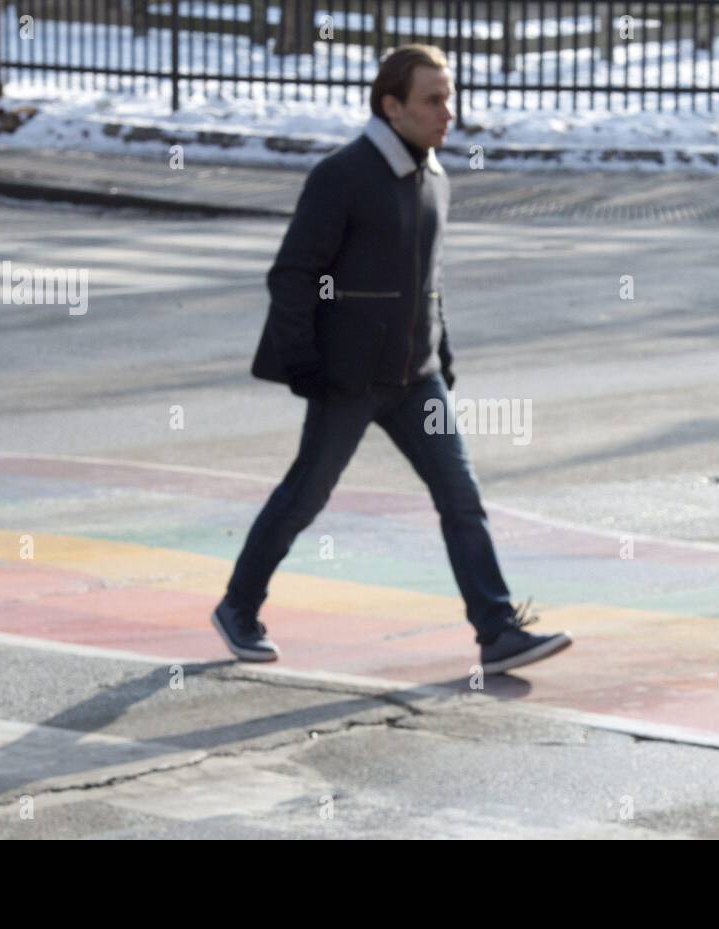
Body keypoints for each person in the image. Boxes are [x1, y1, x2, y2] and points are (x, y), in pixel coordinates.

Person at [212, 44, 572, 675]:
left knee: (461, 497)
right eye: (433, 100)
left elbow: (427, 281)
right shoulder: (342, 176)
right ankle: (239, 608)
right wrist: (304, 364)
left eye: (450, 97)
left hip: (417, 378)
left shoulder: (435, 178)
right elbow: (295, 274)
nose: (449, 113)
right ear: (392, 106)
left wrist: (442, 353)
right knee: (306, 497)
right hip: (348, 379)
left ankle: (497, 630)